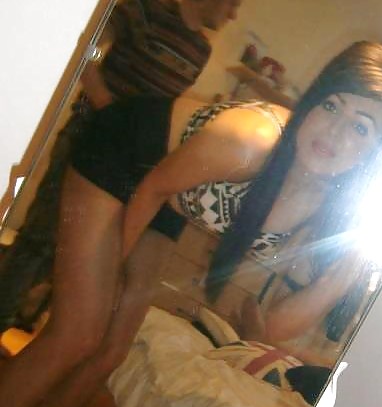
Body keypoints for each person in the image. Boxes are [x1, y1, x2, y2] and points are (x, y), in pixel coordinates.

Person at [0, 41, 382, 407]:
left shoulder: (331, 210)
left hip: (166, 201)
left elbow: (276, 327)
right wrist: (105, 277)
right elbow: (154, 185)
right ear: (313, 100)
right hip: (124, 155)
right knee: (78, 333)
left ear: (376, 153)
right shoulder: (254, 141)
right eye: (331, 105)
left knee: (109, 353)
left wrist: (343, 272)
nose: (334, 131)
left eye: (361, 127)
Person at [0, 0, 241, 333]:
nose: (233, 15)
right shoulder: (145, 8)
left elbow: (162, 107)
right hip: (90, 131)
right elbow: (87, 52)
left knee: (72, 250)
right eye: (234, 4)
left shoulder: (199, 49)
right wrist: (109, 111)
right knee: (39, 236)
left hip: (128, 160)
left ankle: (20, 323)